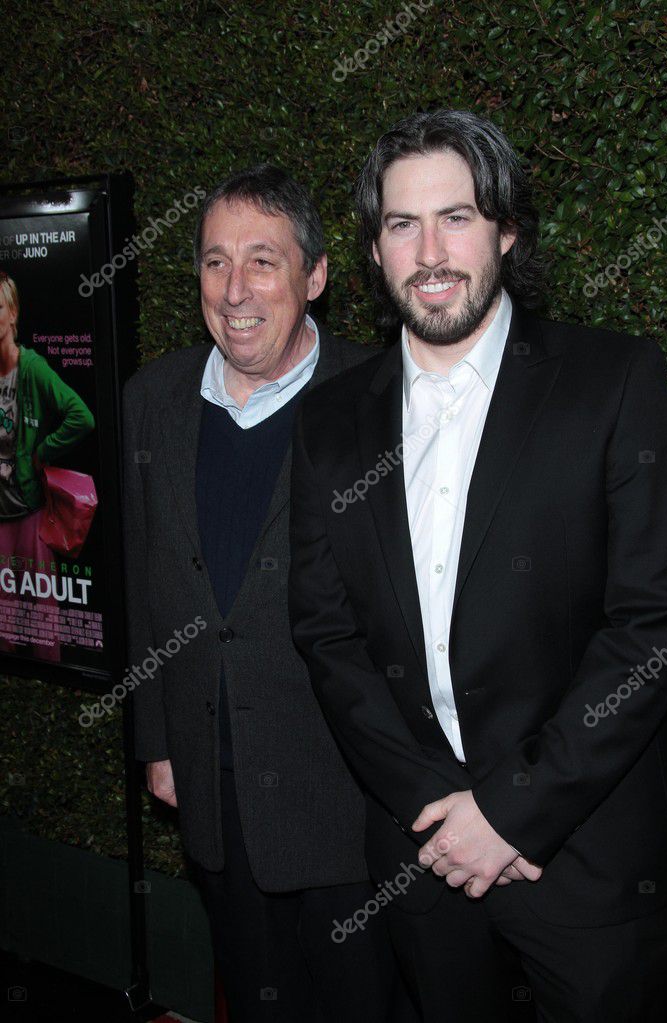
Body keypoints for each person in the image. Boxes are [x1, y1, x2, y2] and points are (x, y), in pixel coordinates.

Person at [288, 109, 667, 1022]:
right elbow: (326, 630)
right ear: (375, 252)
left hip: (588, 860)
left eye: (456, 217)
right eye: (400, 224)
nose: (430, 251)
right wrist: (438, 808)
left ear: (506, 229)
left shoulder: (612, 381)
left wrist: (508, 812)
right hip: (420, 859)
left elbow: (652, 623)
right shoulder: (331, 422)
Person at [122, 166, 410, 1023]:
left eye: (262, 261)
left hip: (350, 794)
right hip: (214, 791)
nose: (235, 290)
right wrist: (157, 743)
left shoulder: (383, 398)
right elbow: (145, 581)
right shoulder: (154, 399)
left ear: (315, 278)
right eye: (215, 263)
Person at [0, 270, 95, 661]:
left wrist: (43, 450)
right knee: (3, 624)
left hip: (29, 512)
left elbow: (81, 416)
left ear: (12, 313)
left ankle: (54, 686)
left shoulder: (31, 368)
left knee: (43, 622)